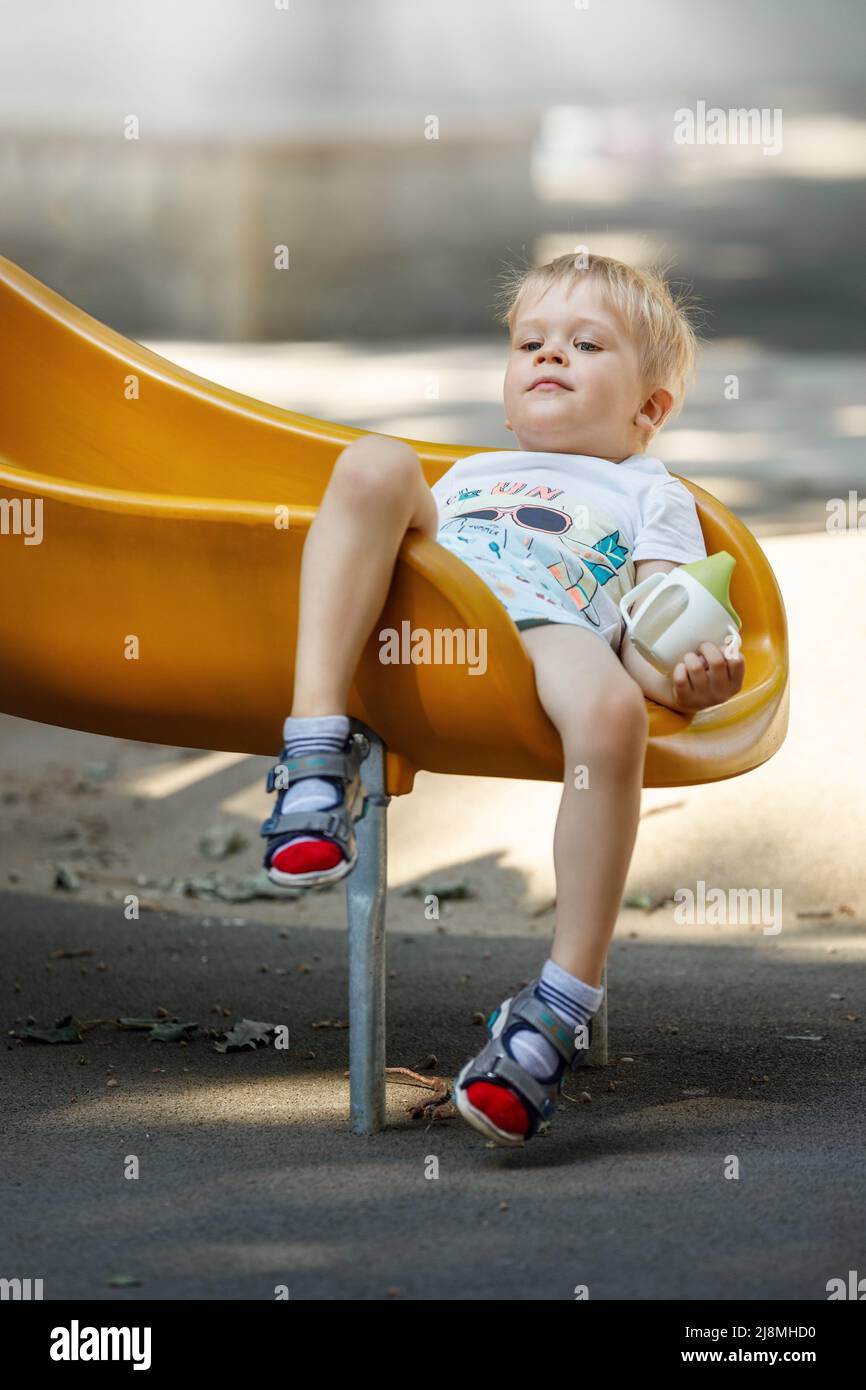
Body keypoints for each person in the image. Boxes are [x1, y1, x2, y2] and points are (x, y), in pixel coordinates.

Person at [258, 251, 745, 1146]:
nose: (551, 355)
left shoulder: (649, 490)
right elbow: (382, 547)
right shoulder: (465, 473)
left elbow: (651, 627)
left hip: (546, 629)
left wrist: (690, 677)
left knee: (613, 714)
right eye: (532, 342)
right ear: (508, 387)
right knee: (370, 460)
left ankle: (557, 1006)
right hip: (424, 613)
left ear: (650, 410)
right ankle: (315, 752)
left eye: (586, 343)